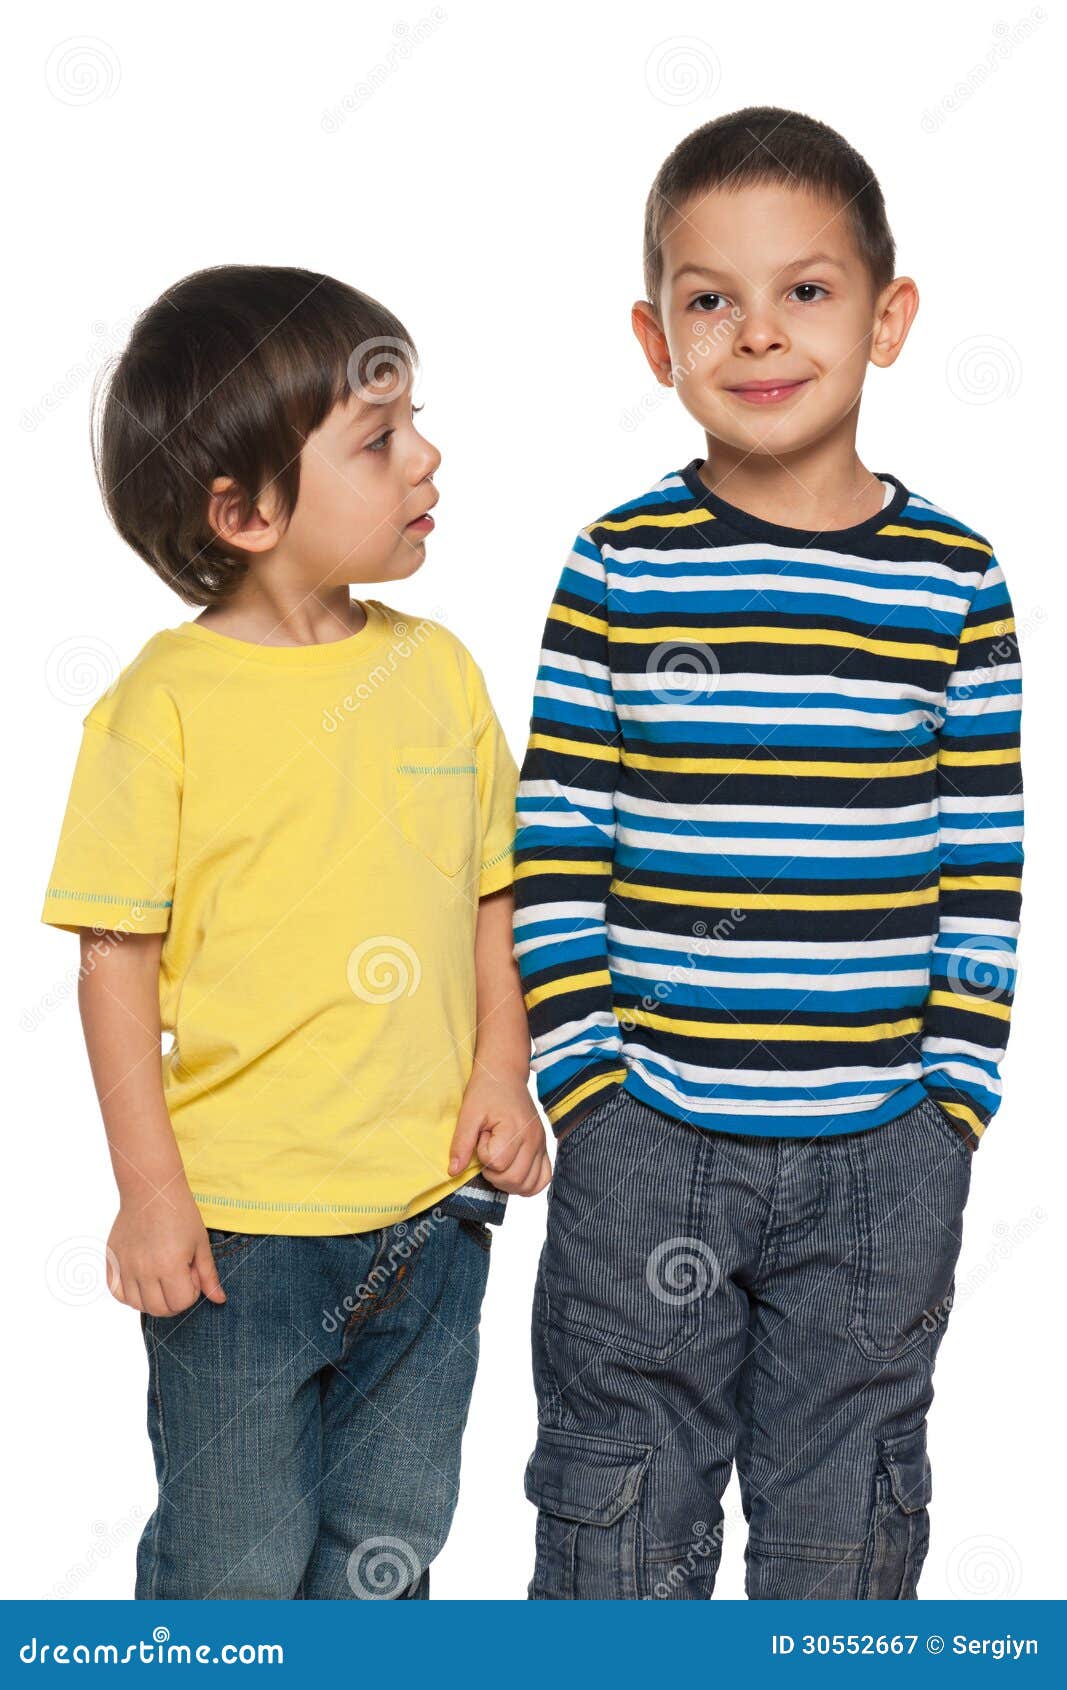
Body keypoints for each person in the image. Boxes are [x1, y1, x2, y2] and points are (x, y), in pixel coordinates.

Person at [513, 108, 1023, 1599]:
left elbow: (982, 855)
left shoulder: (955, 579)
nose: (757, 333)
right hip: (648, 1133)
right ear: (652, 335)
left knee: (847, 1517)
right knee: (619, 1502)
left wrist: (952, 1097)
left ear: (889, 314)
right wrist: (588, 1083)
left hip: (883, 1144)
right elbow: (560, 834)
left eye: (806, 290)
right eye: (708, 298)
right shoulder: (618, 564)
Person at [41, 265, 548, 1599]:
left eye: (414, 421)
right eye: (378, 440)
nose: (425, 455)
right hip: (239, 1238)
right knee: (237, 1556)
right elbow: (111, 960)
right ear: (244, 510)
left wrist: (507, 1070)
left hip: (435, 1217)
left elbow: (495, 895)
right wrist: (150, 1190)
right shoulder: (161, 709)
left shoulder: (438, 672)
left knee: (388, 1545)